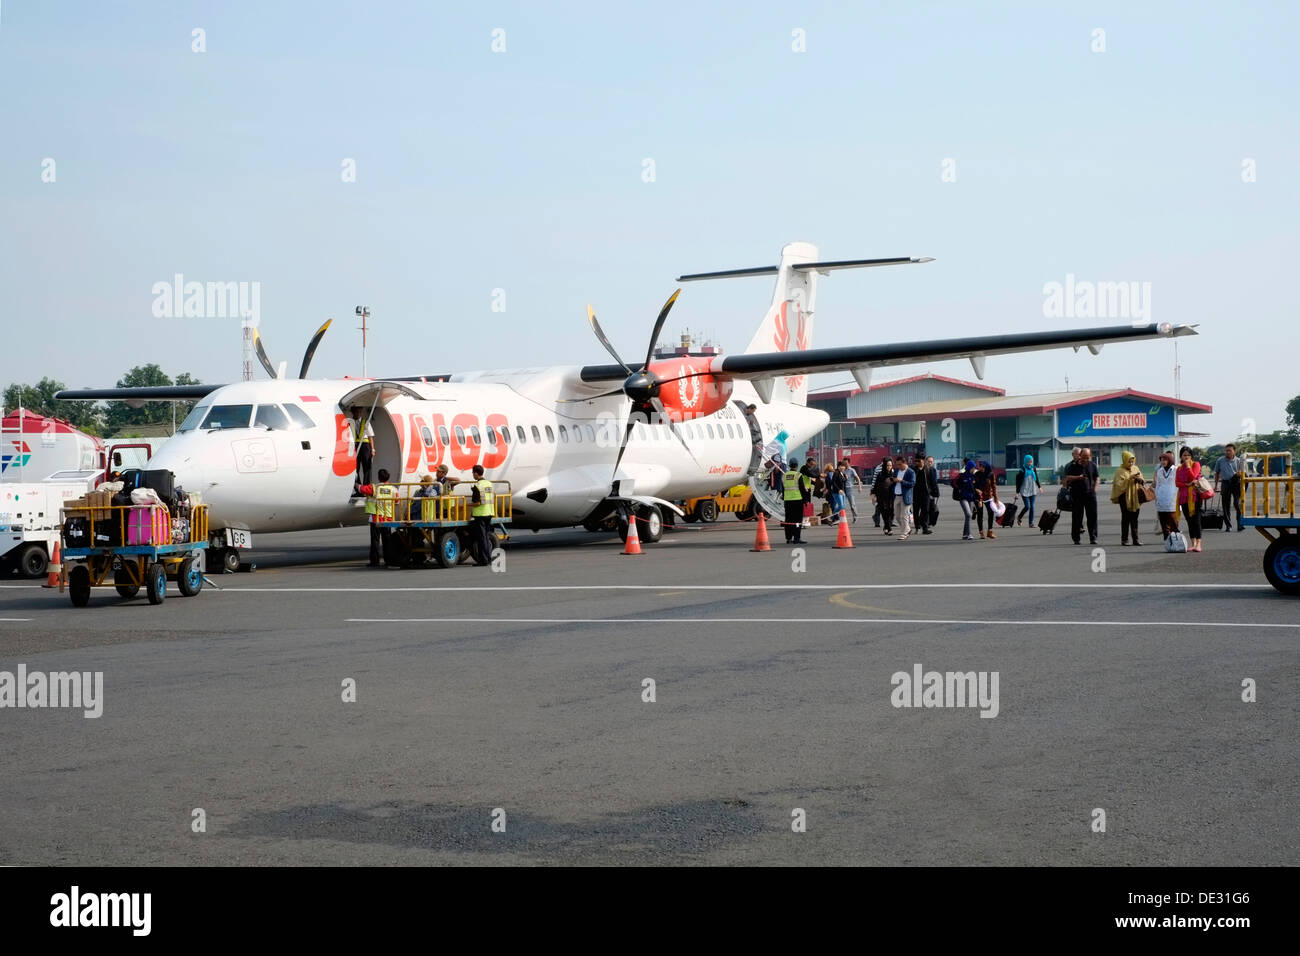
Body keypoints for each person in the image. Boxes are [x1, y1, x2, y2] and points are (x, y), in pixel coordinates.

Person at [357, 468, 398, 567]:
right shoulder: (393, 489)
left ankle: (375, 561)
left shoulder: (374, 487)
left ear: (379, 477)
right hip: (387, 518)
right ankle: (389, 561)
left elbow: (361, 489)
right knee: (387, 541)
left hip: (376, 518)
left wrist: (355, 483)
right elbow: (397, 502)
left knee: (375, 541)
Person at [1063, 447, 1100, 545]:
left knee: (1092, 517)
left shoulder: (1093, 465)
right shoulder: (1073, 466)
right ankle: (1076, 538)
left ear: (1090, 456)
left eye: (1088, 457)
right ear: (1080, 456)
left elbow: (1097, 478)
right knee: (1077, 517)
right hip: (1077, 495)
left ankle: (1093, 537)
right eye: (1084, 457)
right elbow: (1067, 478)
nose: (1085, 460)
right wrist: (1077, 478)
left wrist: (1095, 489)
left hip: (1090, 495)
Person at [1110, 450, 1146, 546]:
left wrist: (1138, 479)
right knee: (1126, 518)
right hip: (1124, 497)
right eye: (1129, 461)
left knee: (1135, 518)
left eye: (1132, 462)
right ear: (1124, 460)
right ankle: (1124, 540)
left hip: (1135, 496)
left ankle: (1136, 539)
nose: (1131, 464)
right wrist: (1129, 479)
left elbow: (1142, 480)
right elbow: (1119, 485)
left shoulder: (1135, 468)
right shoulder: (1120, 471)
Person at [1176, 446, 1207, 553]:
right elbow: (1177, 483)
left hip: (1195, 496)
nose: (1186, 457)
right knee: (1189, 521)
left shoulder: (1196, 464)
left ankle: (1199, 544)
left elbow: (1193, 477)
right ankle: (1193, 543)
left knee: (1196, 520)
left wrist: (1188, 466)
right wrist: (1186, 484)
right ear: (1181, 456)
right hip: (1184, 497)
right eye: (1184, 455)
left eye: (1188, 455)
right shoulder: (1179, 468)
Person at [468, 464, 497, 565]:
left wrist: (466, 505)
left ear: (476, 473)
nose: (473, 475)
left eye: (473, 473)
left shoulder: (477, 486)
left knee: (481, 538)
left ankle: (483, 560)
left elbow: (477, 503)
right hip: (489, 512)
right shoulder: (489, 483)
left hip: (480, 515)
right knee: (485, 537)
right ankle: (488, 559)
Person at [1212, 442, 1244, 532]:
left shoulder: (1239, 461)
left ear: (1234, 451)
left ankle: (1240, 524)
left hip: (1236, 484)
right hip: (1225, 483)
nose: (1227, 452)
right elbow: (1217, 473)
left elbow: (1244, 473)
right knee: (1225, 505)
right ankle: (1228, 525)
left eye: (1229, 451)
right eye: (1226, 451)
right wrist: (1216, 486)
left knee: (1237, 504)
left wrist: (1240, 474)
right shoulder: (1220, 460)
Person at [781, 459, 810, 544]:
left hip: (787, 501)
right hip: (797, 500)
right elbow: (802, 489)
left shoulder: (784, 476)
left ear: (789, 465)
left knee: (788, 519)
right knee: (797, 519)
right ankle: (796, 538)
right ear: (797, 466)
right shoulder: (798, 475)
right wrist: (805, 500)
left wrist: (785, 497)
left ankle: (788, 538)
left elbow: (783, 489)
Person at [1153, 450, 1179, 539]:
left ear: (1170, 460)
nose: (1163, 462)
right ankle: (1167, 540)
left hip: (1172, 499)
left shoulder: (1176, 470)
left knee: (1173, 520)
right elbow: (1158, 485)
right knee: (1163, 521)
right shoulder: (1160, 471)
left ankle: (1176, 539)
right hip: (1161, 498)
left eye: (1165, 460)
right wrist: (1156, 496)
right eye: (1161, 460)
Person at [972, 461, 999, 539]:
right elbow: (973, 485)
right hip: (978, 497)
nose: (981, 468)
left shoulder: (991, 474)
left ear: (986, 467)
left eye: (983, 467)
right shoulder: (977, 474)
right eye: (980, 467)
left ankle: (990, 531)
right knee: (980, 515)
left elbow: (994, 486)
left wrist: (996, 498)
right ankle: (981, 532)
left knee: (991, 513)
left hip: (988, 496)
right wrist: (976, 490)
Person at [891, 455, 916, 539]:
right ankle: (907, 529)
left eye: (900, 464)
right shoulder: (897, 471)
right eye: (897, 464)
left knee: (904, 516)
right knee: (897, 516)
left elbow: (912, 484)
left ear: (904, 463)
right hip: (897, 495)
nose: (898, 466)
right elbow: (893, 479)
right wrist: (893, 480)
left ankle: (904, 533)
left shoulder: (910, 472)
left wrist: (901, 481)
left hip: (906, 496)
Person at [956, 458, 979, 540]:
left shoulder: (974, 477)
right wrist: (959, 489)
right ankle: (969, 534)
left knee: (967, 516)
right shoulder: (962, 475)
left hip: (971, 499)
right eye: (973, 468)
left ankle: (965, 534)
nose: (974, 469)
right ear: (969, 467)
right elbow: (954, 483)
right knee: (969, 514)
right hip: (963, 498)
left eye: (974, 468)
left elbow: (976, 487)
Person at [871, 458, 895, 533]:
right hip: (881, 495)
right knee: (884, 512)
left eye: (890, 465)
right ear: (884, 465)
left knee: (891, 512)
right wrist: (873, 494)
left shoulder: (893, 473)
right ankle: (889, 528)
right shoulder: (880, 474)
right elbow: (875, 484)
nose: (889, 467)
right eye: (887, 465)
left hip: (891, 496)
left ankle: (886, 526)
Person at [1016, 455, 1042, 527]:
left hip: (1033, 490)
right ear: (1025, 461)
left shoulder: (1033, 468)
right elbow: (1018, 482)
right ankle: (1019, 517)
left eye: (1031, 462)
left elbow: (1036, 478)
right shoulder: (1022, 470)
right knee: (1027, 506)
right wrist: (1017, 493)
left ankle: (1031, 523)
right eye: (1029, 462)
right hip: (1024, 491)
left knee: (1032, 507)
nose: (1030, 463)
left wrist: (1039, 487)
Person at [911, 455, 932, 535]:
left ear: (923, 460)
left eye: (918, 461)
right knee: (916, 512)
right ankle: (917, 527)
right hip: (915, 494)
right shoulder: (913, 469)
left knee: (925, 511)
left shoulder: (928, 469)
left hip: (926, 494)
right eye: (916, 461)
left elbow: (932, 482)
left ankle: (925, 528)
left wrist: (934, 492)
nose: (917, 463)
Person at [744, 404, 763, 474]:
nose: (753, 413)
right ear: (750, 409)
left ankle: (752, 468)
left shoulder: (749, 416)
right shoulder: (745, 415)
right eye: (753, 411)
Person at [842, 459, 862, 523]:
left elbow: (858, 478)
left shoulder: (852, 470)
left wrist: (859, 487)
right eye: (844, 463)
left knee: (852, 504)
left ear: (849, 463)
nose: (845, 465)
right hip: (843, 489)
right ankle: (841, 518)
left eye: (846, 463)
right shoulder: (842, 470)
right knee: (842, 505)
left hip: (850, 489)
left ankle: (855, 517)